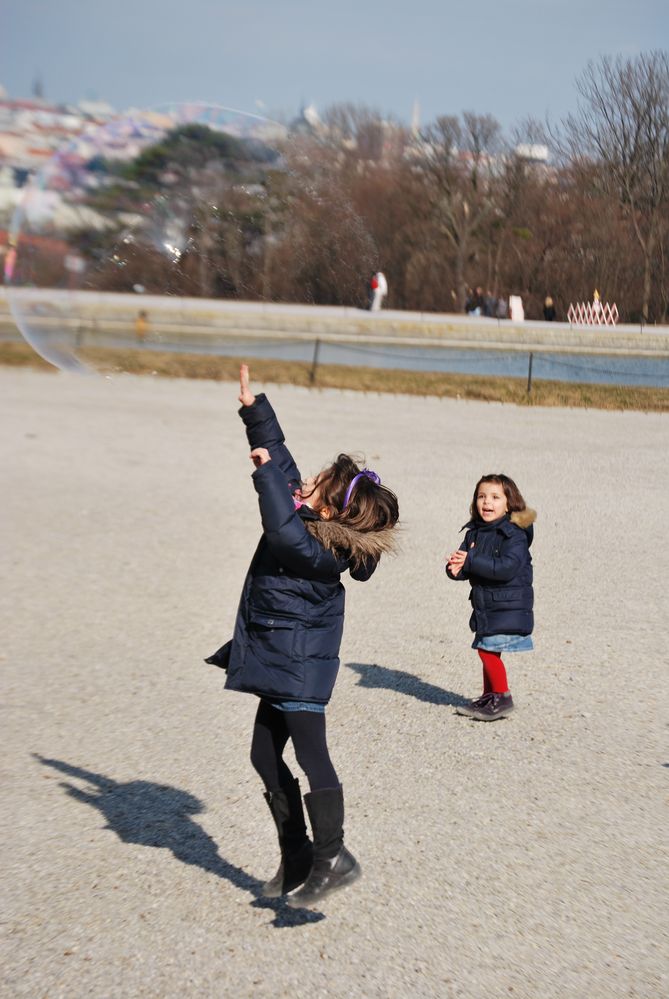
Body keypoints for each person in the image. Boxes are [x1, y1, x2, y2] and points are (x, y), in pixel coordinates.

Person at [207, 365, 399, 907]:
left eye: (313, 484)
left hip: (298, 668)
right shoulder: (312, 516)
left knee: (313, 757)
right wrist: (255, 412)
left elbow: (280, 528)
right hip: (278, 659)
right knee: (263, 756)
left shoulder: (318, 548)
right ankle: (296, 851)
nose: (303, 482)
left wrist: (267, 476)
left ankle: (333, 855)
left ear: (330, 508)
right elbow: (285, 465)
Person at [446, 474, 535, 721]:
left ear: (509, 504)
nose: (487, 502)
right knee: (487, 649)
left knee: (487, 651)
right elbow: (465, 561)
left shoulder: (514, 534)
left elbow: (506, 567)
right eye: (481, 496)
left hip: (508, 603)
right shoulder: (474, 531)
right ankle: (489, 695)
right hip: (486, 604)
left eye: (495, 497)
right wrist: (456, 569)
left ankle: (502, 697)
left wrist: (471, 560)